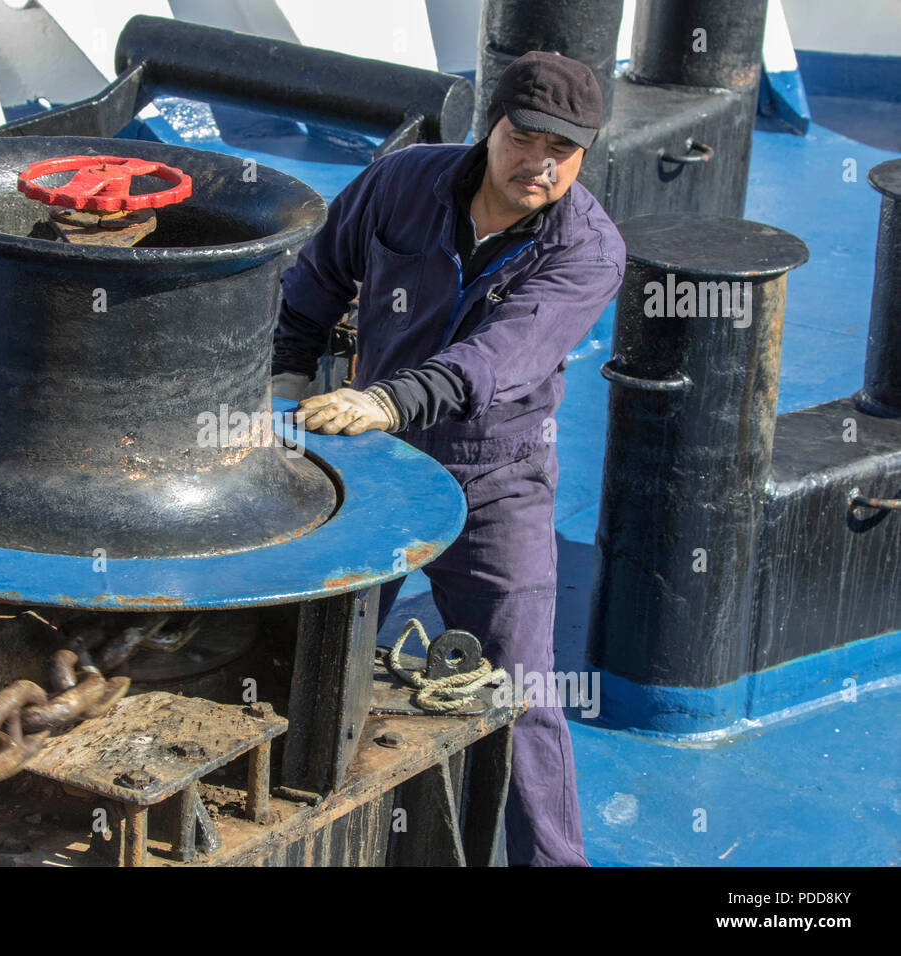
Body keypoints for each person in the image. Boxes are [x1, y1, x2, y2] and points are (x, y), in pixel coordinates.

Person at [271, 51, 626, 866]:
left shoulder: (589, 251)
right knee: (306, 650)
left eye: (562, 150)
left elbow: (500, 357)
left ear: (585, 154)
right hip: (376, 463)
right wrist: (287, 372)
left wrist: (386, 398)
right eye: (523, 137)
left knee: (523, 690)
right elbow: (319, 275)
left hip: (494, 475)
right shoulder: (402, 184)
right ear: (488, 127)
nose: (538, 162)